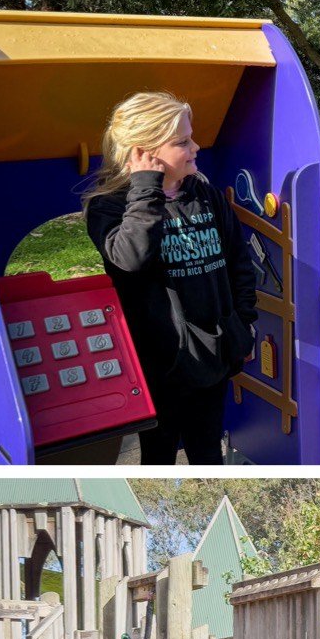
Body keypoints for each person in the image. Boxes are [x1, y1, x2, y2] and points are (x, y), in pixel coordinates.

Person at [83, 91, 259, 465]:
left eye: (191, 136)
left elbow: (238, 264)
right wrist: (146, 188)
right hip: (160, 364)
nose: (195, 146)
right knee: (159, 455)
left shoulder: (205, 195)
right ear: (143, 152)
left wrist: (242, 325)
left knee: (207, 451)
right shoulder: (109, 206)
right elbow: (130, 259)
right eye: (182, 141)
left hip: (213, 353)